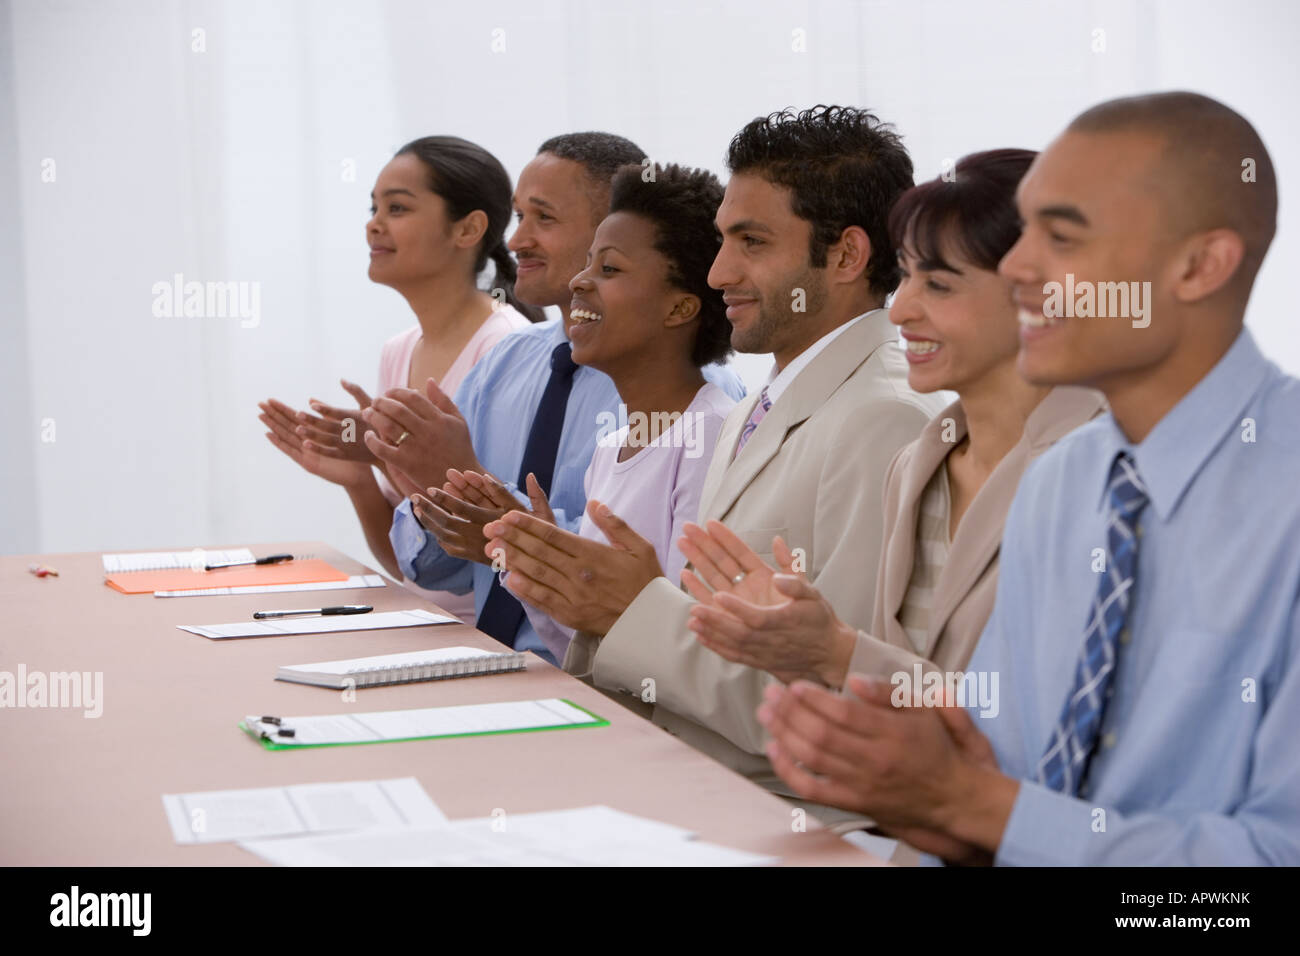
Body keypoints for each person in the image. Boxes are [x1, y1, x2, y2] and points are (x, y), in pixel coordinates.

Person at [759, 92, 1300, 865]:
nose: (1017, 267)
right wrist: (899, 780)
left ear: (1199, 265)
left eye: (1063, 236)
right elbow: (1000, 772)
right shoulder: (1064, 483)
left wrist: (967, 802)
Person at [482, 106, 945, 811]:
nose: (721, 269)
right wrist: (586, 601)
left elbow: (838, 706)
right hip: (680, 781)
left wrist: (628, 609)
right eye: (724, 239)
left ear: (846, 256)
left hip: (778, 819)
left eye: (751, 241)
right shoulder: (765, 404)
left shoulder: (884, 419)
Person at [680, 149, 1105, 695]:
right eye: (906, 275)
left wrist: (837, 654)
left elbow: (1047, 723)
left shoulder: (1104, 474)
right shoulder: (919, 465)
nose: (901, 308)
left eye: (941, 284)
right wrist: (823, 653)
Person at [377, 134, 745, 665]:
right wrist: (444, 487)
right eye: (518, 216)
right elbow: (572, 632)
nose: (517, 240)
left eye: (543, 219)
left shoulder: (705, 425)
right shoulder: (517, 373)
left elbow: (683, 636)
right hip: (534, 676)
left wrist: (502, 514)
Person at [257, 136, 536, 619]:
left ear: (468, 229)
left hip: (489, 636)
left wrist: (393, 460)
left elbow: (492, 552)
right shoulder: (398, 351)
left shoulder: (508, 348)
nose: (373, 224)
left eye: (398, 208)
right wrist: (361, 477)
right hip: (427, 625)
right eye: (373, 207)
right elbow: (412, 568)